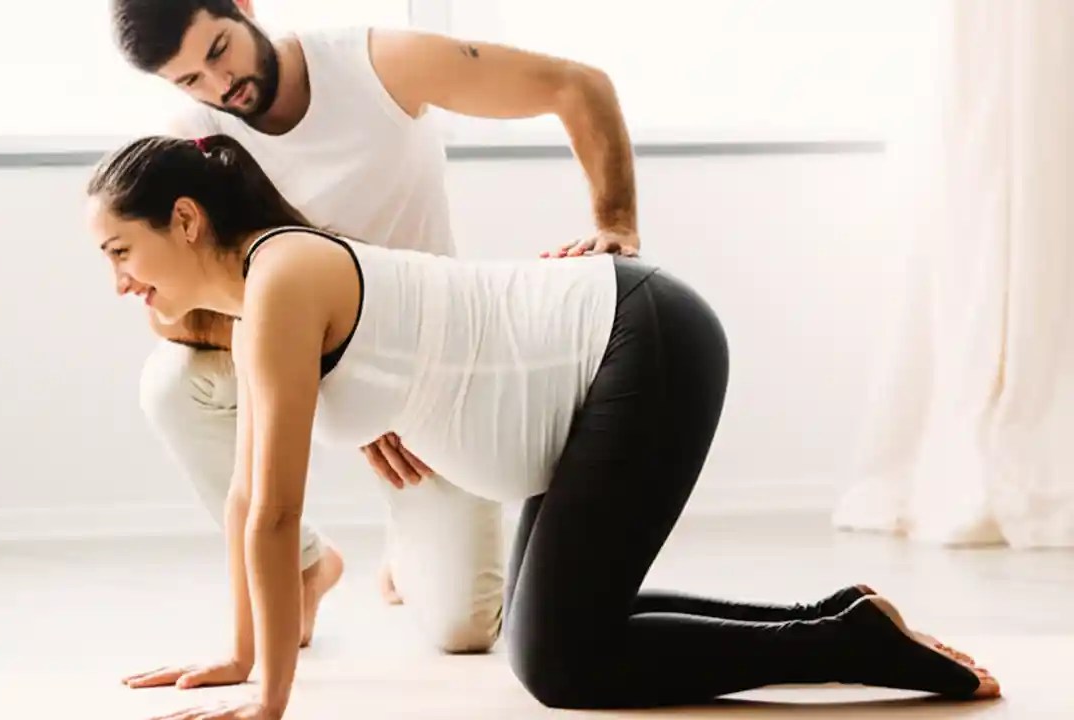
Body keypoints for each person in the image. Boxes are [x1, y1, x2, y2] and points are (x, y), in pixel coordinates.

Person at [85, 133, 1001, 719]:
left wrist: (271, 704)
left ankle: (842, 646)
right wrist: (243, 658)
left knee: (563, 666)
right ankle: (845, 624)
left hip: (635, 340)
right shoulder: (260, 302)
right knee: (551, 636)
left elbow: (279, 513)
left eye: (121, 252)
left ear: (187, 218)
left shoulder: (281, 279)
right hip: (598, 369)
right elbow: (249, 497)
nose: (120, 281)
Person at [108, 0, 642, 678]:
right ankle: (308, 567)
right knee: (173, 384)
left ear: (242, 7)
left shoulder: (376, 64)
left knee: (466, 630)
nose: (219, 87)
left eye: (218, 51)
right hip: (326, 364)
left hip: (434, 371)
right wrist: (344, 374)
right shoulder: (197, 134)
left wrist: (617, 221)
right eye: (189, 80)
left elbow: (577, 84)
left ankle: (411, 547)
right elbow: (175, 311)